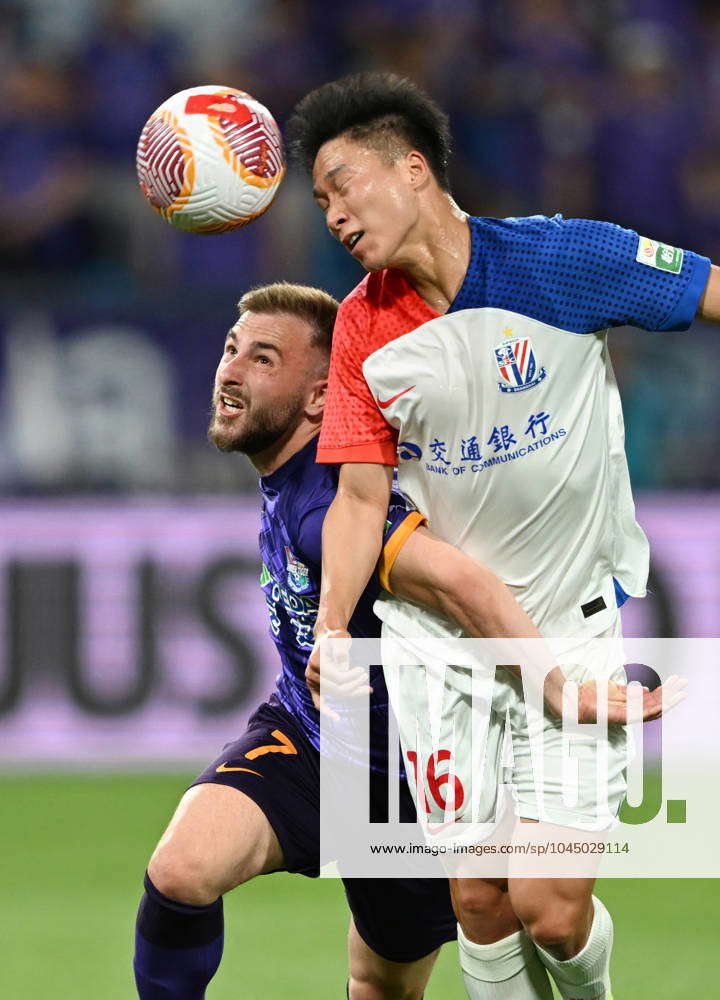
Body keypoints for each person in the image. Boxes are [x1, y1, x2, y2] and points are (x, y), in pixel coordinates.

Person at [287, 71, 716, 1000]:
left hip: (568, 626)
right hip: (440, 650)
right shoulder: (363, 327)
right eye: (318, 201)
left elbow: (711, 290)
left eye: (340, 184)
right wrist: (329, 628)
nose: (331, 215)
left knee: (551, 909)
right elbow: (361, 500)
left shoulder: (563, 261)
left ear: (411, 169)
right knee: (480, 902)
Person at [135, 281, 613, 1000]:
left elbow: (465, 585)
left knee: (381, 983)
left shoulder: (331, 499)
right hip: (311, 734)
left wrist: (556, 690)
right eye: (232, 349)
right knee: (181, 871)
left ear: (322, 399)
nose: (230, 370)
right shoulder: (292, 479)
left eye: (263, 359)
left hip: (406, 781)